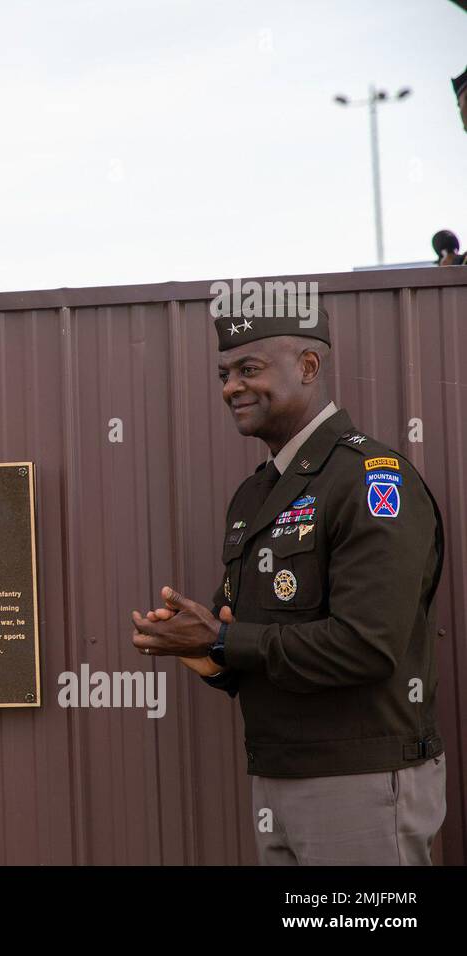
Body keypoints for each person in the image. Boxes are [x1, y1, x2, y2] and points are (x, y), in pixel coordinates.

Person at [129, 304, 446, 865]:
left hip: (360, 781)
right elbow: (250, 641)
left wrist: (223, 642)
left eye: (248, 369)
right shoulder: (256, 494)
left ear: (305, 366)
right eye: (224, 375)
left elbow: (366, 647)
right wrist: (200, 650)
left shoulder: (371, 479)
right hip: (277, 775)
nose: (231, 388)